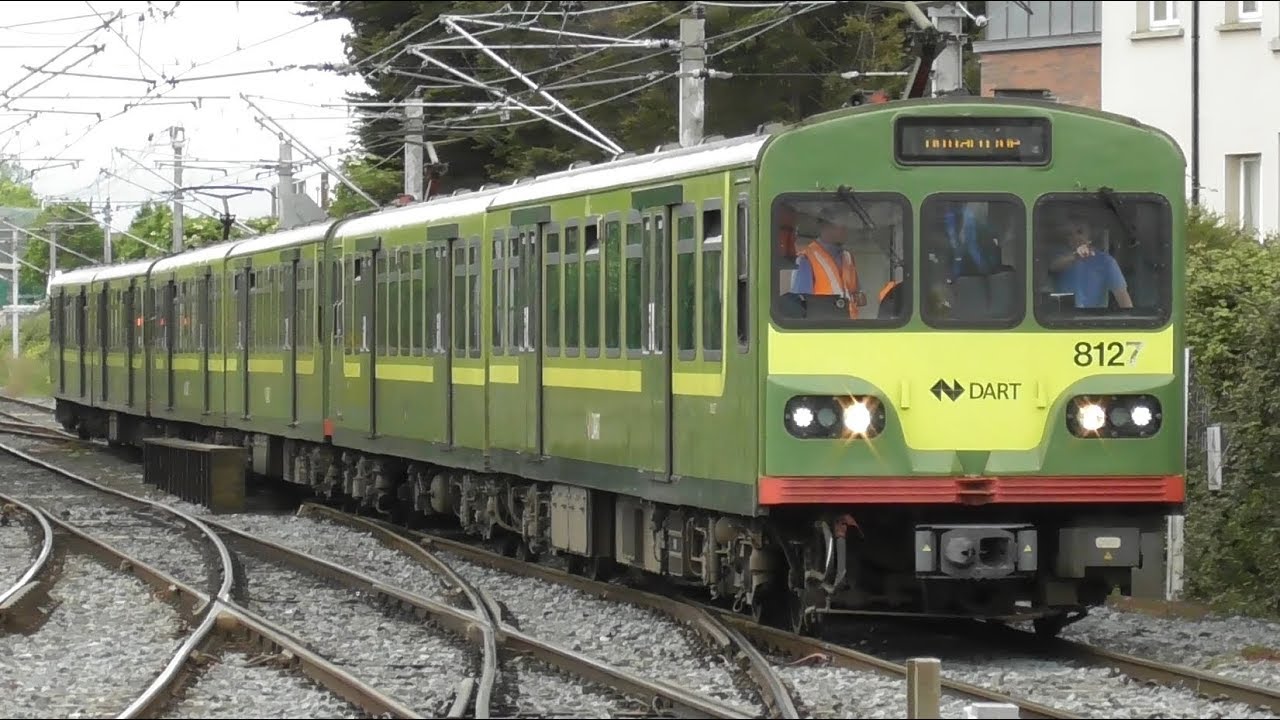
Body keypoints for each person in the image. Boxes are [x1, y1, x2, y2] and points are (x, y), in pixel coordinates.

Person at [789, 210, 863, 319]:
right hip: (823, 330)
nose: (846, 228)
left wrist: (858, 296)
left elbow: (855, 294)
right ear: (825, 226)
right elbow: (801, 308)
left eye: (847, 224)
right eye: (841, 223)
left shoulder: (848, 257)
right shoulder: (806, 259)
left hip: (851, 329)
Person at [1048, 216, 1133, 310]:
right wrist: (1075, 257)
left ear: (1090, 235)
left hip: (1092, 321)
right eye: (1069, 234)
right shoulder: (1058, 256)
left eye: (1080, 232)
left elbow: (1123, 299)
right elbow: (1052, 267)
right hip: (1060, 321)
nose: (1075, 237)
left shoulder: (1106, 261)